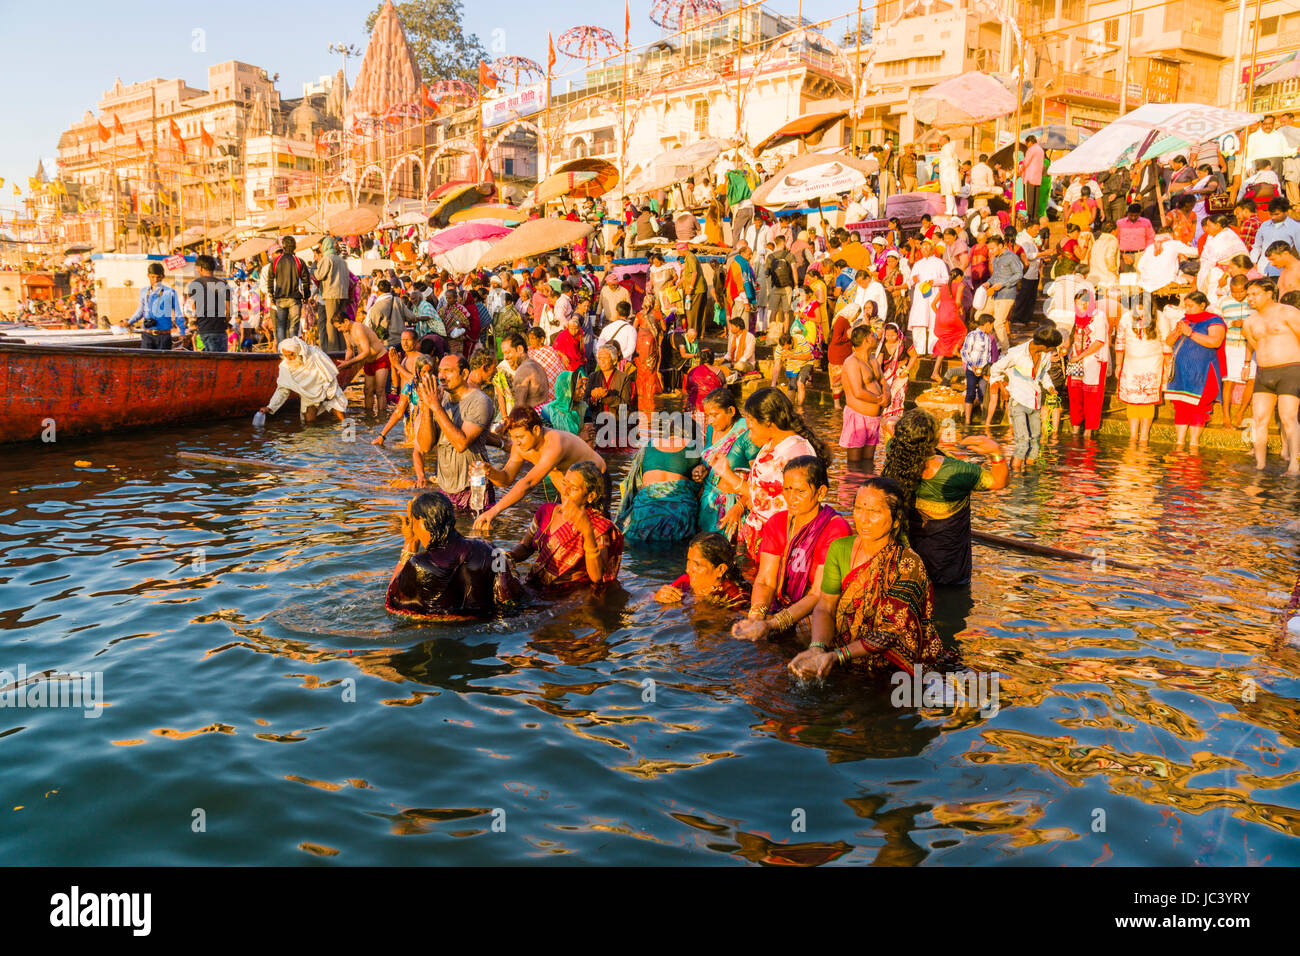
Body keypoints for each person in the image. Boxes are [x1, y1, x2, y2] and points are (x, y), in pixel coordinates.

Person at [789, 477, 952, 678]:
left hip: (893, 661)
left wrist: (836, 656)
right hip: (843, 648)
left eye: (874, 512)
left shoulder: (908, 563)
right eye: (858, 509)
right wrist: (817, 649)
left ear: (896, 520)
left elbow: (891, 631)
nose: (863, 519)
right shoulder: (840, 548)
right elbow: (825, 606)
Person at [881, 408, 1008, 587]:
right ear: (935, 439)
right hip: (949, 572)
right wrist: (996, 452)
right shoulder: (955, 471)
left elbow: (888, 423)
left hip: (907, 564)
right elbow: (999, 481)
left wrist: (897, 426)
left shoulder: (895, 455)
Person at [731, 456, 852, 641]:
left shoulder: (836, 528)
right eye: (787, 489)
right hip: (783, 603)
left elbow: (817, 594)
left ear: (820, 493)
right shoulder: (777, 523)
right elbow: (765, 580)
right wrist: (755, 617)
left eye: (800, 491)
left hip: (820, 608)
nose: (791, 498)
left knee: (798, 635)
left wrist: (772, 624)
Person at [729, 387, 829, 564]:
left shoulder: (797, 451)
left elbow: (803, 502)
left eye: (752, 423)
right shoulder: (771, 444)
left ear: (769, 422)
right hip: (757, 531)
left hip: (782, 537)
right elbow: (759, 488)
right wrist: (740, 505)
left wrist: (726, 474)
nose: (748, 429)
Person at [386, 491, 523, 620]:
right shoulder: (490, 549)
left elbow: (392, 600)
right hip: (485, 630)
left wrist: (409, 544)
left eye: (413, 522)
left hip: (438, 635)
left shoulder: (418, 563)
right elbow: (510, 599)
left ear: (421, 521)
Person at [474, 406, 607, 532]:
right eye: (513, 437)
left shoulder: (555, 443)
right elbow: (506, 480)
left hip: (596, 481)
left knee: (598, 532)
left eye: (520, 437)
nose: (516, 442)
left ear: (536, 430)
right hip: (569, 493)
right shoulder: (519, 446)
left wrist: (494, 511)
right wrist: (490, 473)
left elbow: (529, 483)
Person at [508, 461, 623, 590]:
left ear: (590, 496)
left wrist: (587, 532)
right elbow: (526, 546)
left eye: (573, 488)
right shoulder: (546, 511)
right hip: (537, 586)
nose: (565, 492)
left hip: (567, 597)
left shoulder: (598, 527)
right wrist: (508, 557)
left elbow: (597, 577)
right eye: (564, 484)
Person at [425, 354, 496, 511]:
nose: (442, 376)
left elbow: (461, 443)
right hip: (445, 487)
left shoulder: (480, 400)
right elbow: (425, 446)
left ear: (464, 374)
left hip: (473, 488)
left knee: (476, 533)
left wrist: (436, 407)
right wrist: (426, 407)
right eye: (440, 371)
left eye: (448, 371)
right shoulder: (441, 399)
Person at [1243, 277, 1300, 473]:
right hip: (1264, 372)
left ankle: (1295, 464)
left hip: (1290, 370)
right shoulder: (1250, 322)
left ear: (1269, 294)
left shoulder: (1288, 312)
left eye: (1255, 294)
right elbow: (1256, 345)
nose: (1250, 298)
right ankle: (1260, 464)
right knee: (1259, 418)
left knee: (1288, 417)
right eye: (1248, 294)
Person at [616, 418, 702, 544]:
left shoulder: (648, 446)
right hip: (678, 517)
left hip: (644, 513)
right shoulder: (693, 448)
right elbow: (701, 489)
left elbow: (635, 484)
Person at [987, 324, 1060, 469]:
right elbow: (995, 369)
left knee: (1036, 442)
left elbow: (1044, 374)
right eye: (1052, 347)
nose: (1053, 350)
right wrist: (1003, 387)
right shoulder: (1017, 353)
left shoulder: (1045, 355)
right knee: (1023, 442)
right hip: (1018, 401)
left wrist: (1050, 387)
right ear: (1044, 345)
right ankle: (1015, 479)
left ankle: (1030, 480)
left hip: (1035, 402)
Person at [1164, 290, 1227, 452]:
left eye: (1191, 306)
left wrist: (1190, 333)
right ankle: (1179, 444)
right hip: (1182, 372)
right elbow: (1169, 341)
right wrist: (1177, 332)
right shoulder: (1184, 320)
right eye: (1185, 306)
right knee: (1181, 406)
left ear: (1202, 305)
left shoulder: (1214, 321)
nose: (1187, 309)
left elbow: (1215, 342)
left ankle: (1193, 444)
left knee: (1198, 406)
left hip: (1203, 372)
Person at [694, 387, 761, 539]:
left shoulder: (747, 432)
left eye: (715, 415)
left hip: (734, 510)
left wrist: (739, 507)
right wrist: (701, 469)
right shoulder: (712, 429)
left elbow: (758, 480)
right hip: (709, 503)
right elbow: (709, 457)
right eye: (708, 416)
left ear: (730, 411)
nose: (710, 421)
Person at [1114, 296, 1172, 444]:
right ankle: (1133, 435)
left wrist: (1168, 367)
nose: (1140, 311)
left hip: (1152, 363)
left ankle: (1144, 435)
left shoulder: (1160, 318)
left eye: (1143, 307)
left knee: (1147, 400)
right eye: (1138, 307)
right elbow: (1120, 342)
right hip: (1131, 363)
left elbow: (1166, 343)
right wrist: (1118, 365)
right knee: (1132, 399)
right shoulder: (1126, 317)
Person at [258, 336, 348, 424]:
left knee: (340, 413)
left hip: (326, 387)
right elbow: (282, 390)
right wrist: (269, 407)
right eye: (285, 355)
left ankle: (348, 431)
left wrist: (328, 390)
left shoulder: (315, 354)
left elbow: (329, 373)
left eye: (291, 355)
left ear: (298, 352)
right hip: (308, 394)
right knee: (309, 422)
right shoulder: (285, 367)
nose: (288, 358)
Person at [654, 532, 749, 609]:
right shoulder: (685, 581)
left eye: (697, 564)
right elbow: (647, 599)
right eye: (688, 561)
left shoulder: (735, 596)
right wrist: (658, 596)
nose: (688, 570)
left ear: (720, 570)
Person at [1064, 289, 1111, 439]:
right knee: (1075, 394)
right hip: (1076, 359)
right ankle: (1076, 427)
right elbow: (1072, 337)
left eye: (1083, 302)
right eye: (1077, 302)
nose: (1080, 305)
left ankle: (1089, 429)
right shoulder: (1076, 317)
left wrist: (1081, 356)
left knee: (1092, 395)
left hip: (1093, 361)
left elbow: (1099, 341)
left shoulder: (1099, 316)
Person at [840, 325, 884, 467]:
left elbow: (883, 381)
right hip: (857, 419)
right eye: (873, 335)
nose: (875, 337)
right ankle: (852, 490)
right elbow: (858, 392)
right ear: (866, 340)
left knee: (868, 463)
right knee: (854, 465)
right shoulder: (852, 362)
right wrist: (880, 400)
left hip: (874, 419)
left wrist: (887, 394)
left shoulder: (872, 359)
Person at [332, 309, 389, 418]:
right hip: (368, 362)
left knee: (380, 391)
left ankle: (382, 419)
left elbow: (366, 351)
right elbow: (349, 349)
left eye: (339, 326)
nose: (339, 330)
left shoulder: (358, 328)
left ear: (346, 321)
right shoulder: (346, 332)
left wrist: (349, 363)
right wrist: (346, 362)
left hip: (380, 358)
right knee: (367, 391)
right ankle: (369, 418)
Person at [1218, 274, 1258, 429]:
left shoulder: (1253, 302)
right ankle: (1226, 418)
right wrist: (1231, 323)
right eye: (1234, 292)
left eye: (1241, 292)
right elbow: (1217, 322)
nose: (1238, 295)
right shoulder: (1223, 302)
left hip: (1250, 346)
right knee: (1228, 381)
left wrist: (1247, 324)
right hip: (1230, 346)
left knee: (1252, 380)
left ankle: (1240, 413)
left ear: (1246, 289)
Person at [264, 236, 312, 344]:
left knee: (281, 326)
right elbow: (306, 281)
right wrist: (306, 296)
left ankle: (281, 351)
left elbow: (270, 280)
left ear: (283, 247)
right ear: (294, 247)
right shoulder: (299, 261)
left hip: (280, 298)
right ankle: (293, 350)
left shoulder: (276, 262)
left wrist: (271, 295)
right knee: (293, 326)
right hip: (295, 299)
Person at [126, 262, 185, 349]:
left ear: (162, 276)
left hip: (164, 336)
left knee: (163, 362)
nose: (155, 280)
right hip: (147, 335)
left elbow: (178, 313)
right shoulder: (143, 291)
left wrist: (182, 331)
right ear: (148, 275)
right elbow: (141, 310)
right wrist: (129, 322)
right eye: (152, 277)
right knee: (145, 361)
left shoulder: (170, 292)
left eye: (158, 277)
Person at [185, 254, 232, 352]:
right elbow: (229, 312)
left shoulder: (194, 284)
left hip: (204, 329)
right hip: (220, 330)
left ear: (200, 268)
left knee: (209, 362)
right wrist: (224, 322)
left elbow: (193, 309)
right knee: (222, 361)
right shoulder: (223, 284)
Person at [313, 237, 350, 353]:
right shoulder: (342, 260)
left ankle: (333, 350)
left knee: (331, 323)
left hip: (331, 295)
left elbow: (319, 275)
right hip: (343, 295)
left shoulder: (327, 259)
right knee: (342, 322)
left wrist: (313, 269)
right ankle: (344, 348)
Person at [876, 322, 917, 426]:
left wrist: (906, 370)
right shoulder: (882, 344)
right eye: (887, 335)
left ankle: (897, 420)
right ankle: (887, 420)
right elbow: (879, 362)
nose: (890, 338)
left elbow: (914, 356)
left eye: (892, 335)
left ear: (898, 333)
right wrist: (878, 376)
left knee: (898, 396)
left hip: (901, 373)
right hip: (886, 374)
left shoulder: (904, 342)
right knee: (888, 396)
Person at [985, 233, 1022, 351]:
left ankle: (1005, 350)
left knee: (998, 323)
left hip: (1007, 294)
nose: (990, 251)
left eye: (992, 248)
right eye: (989, 249)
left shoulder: (1011, 257)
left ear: (1000, 245)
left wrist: (1003, 284)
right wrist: (988, 283)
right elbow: (995, 277)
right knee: (983, 317)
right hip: (996, 295)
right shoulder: (996, 259)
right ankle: (998, 344)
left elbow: (1019, 274)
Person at [961, 313, 998, 425]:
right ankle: (967, 421)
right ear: (987, 324)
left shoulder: (988, 338)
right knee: (970, 393)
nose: (992, 328)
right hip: (972, 370)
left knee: (983, 394)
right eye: (991, 326)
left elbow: (988, 356)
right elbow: (964, 352)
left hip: (983, 371)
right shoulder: (972, 335)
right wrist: (972, 365)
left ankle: (984, 420)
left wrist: (988, 370)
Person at [1250, 198, 1300, 276]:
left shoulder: (1295, 227)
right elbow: (1257, 246)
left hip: (1281, 270)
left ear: (1286, 212)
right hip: (1262, 269)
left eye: (1277, 214)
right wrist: (1253, 262)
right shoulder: (1264, 225)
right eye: (1271, 214)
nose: (1273, 217)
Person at [772, 329, 814, 407]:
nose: (785, 350)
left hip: (806, 363)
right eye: (783, 348)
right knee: (791, 387)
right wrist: (773, 383)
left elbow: (808, 356)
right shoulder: (780, 347)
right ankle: (790, 409)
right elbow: (777, 365)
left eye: (787, 348)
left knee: (800, 383)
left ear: (791, 341)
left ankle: (800, 409)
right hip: (793, 367)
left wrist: (792, 356)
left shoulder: (800, 339)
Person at [1019, 135, 1045, 220]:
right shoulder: (1041, 150)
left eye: (1027, 143)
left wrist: (1019, 171)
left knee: (1029, 201)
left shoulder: (1031, 149)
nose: (1027, 145)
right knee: (1035, 201)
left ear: (1030, 142)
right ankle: (1034, 218)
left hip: (1029, 178)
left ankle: (1029, 219)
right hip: (1037, 179)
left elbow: (1026, 162)